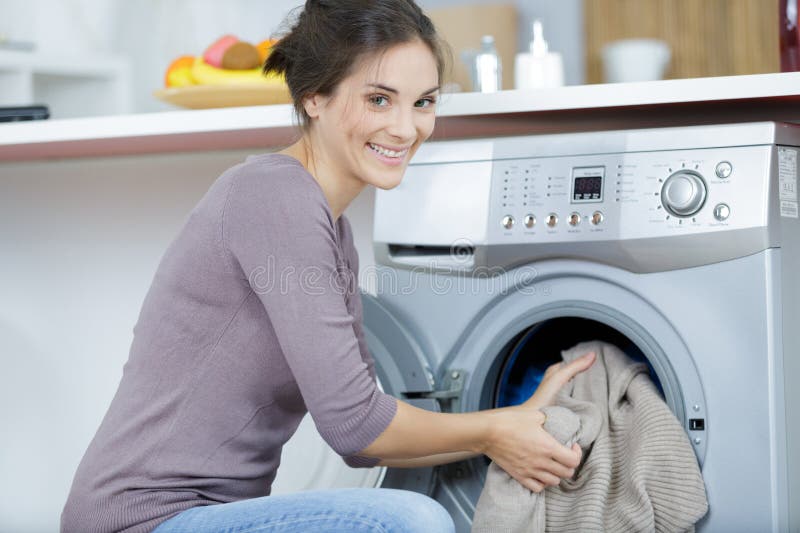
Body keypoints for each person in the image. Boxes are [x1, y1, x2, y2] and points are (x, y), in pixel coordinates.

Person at [61, 1, 596, 532]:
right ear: (314, 96)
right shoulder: (274, 195)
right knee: (411, 520)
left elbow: (360, 439)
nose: (406, 129)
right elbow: (356, 428)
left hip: (206, 517)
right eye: (379, 99)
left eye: (423, 102)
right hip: (143, 520)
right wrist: (495, 430)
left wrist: (515, 420)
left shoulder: (329, 229)